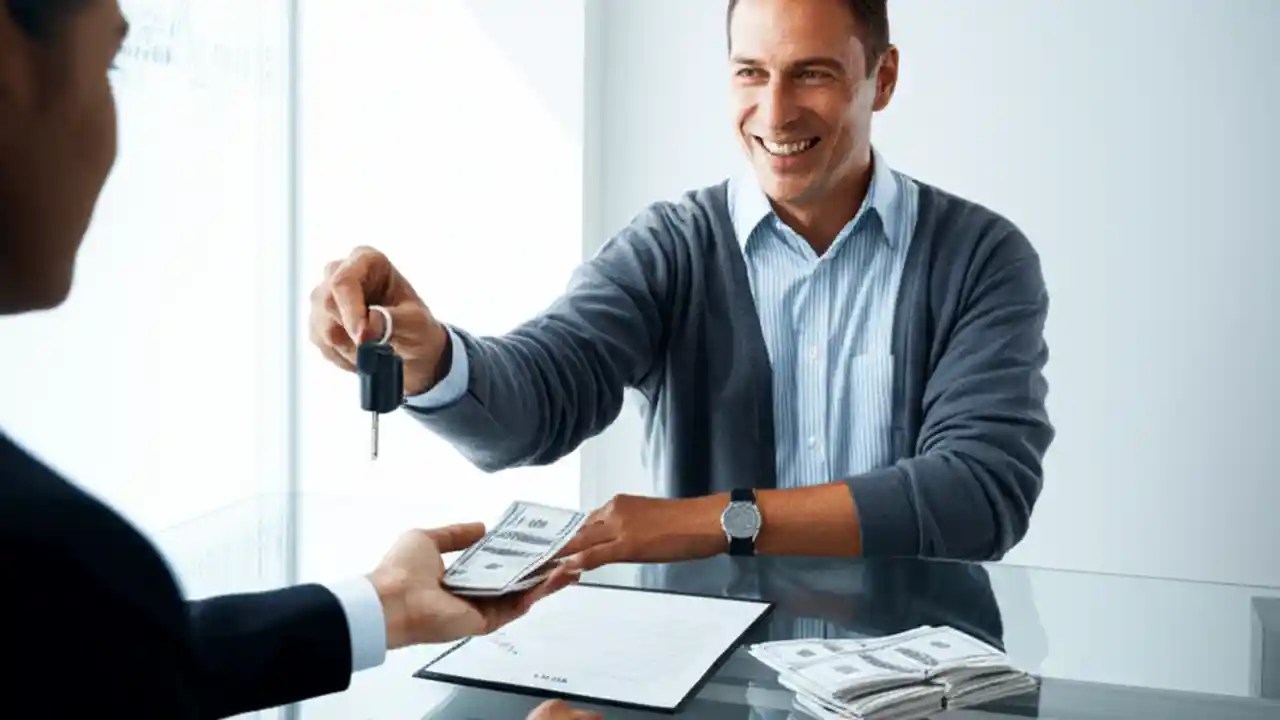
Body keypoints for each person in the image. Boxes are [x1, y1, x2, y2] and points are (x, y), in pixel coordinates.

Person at [0, 1, 596, 718]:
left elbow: (91, 661)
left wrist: (386, 605)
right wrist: (437, 359)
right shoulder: (55, 558)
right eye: (109, 64)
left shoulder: (57, 575)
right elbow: (106, 655)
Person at [310, 0, 1054, 569]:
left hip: (920, 686)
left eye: (813, 73)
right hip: (714, 678)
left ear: (881, 78)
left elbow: (979, 494)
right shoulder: (671, 249)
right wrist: (434, 360)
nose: (775, 110)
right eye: (751, 73)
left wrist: (709, 522)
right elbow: (540, 396)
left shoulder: (981, 257)